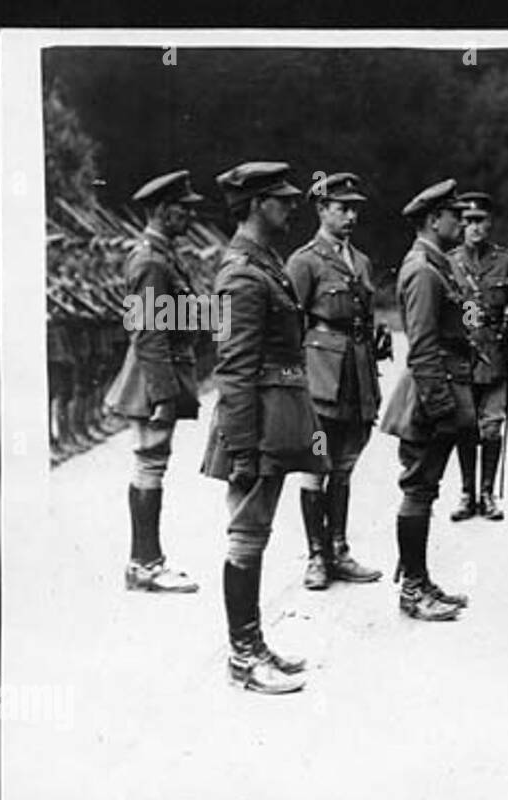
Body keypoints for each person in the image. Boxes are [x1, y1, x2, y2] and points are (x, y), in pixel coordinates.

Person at [200, 161, 323, 694]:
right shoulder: (242, 275)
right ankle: (244, 656)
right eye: (281, 199)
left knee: (258, 533)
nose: (292, 206)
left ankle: (253, 644)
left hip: (273, 415)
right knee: (247, 537)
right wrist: (244, 448)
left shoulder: (264, 263)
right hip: (254, 424)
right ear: (254, 205)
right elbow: (233, 368)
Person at [104, 169, 205, 592]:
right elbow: (147, 331)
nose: (189, 214)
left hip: (162, 371)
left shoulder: (163, 254)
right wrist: (164, 394)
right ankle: (145, 564)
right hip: (153, 376)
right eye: (183, 208)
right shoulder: (150, 260)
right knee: (150, 463)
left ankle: (146, 562)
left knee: (152, 463)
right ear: (163, 211)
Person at [379, 179, 474, 621]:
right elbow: (422, 346)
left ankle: (420, 578)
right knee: (418, 489)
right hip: (429, 395)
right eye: (455, 215)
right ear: (434, 220)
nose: (462, 221)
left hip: (442, 388)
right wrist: (440, 406)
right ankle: (413, 589)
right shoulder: (422, 270)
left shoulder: (436, 265)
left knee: (426, 488)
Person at [286, 172, 384, 590]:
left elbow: (366, 313)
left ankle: (339, 550)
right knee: (316, 463)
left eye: (355, 208)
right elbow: (293, 325)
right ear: (322, 210)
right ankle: (315, 556)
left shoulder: (360, 261)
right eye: (342, 208)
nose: (350, 215)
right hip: (321, 381)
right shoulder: (304, 261)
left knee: (344, 464)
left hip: (357, 376)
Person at [447, 190, 508, 522]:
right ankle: (467, 493)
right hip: (463, 355)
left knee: (492, 428)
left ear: (490, 222)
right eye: (467, 221)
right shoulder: (450, 262)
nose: (474, 227)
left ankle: (487, 493)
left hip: (498, 355)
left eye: (480, 220)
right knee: (465, 427)